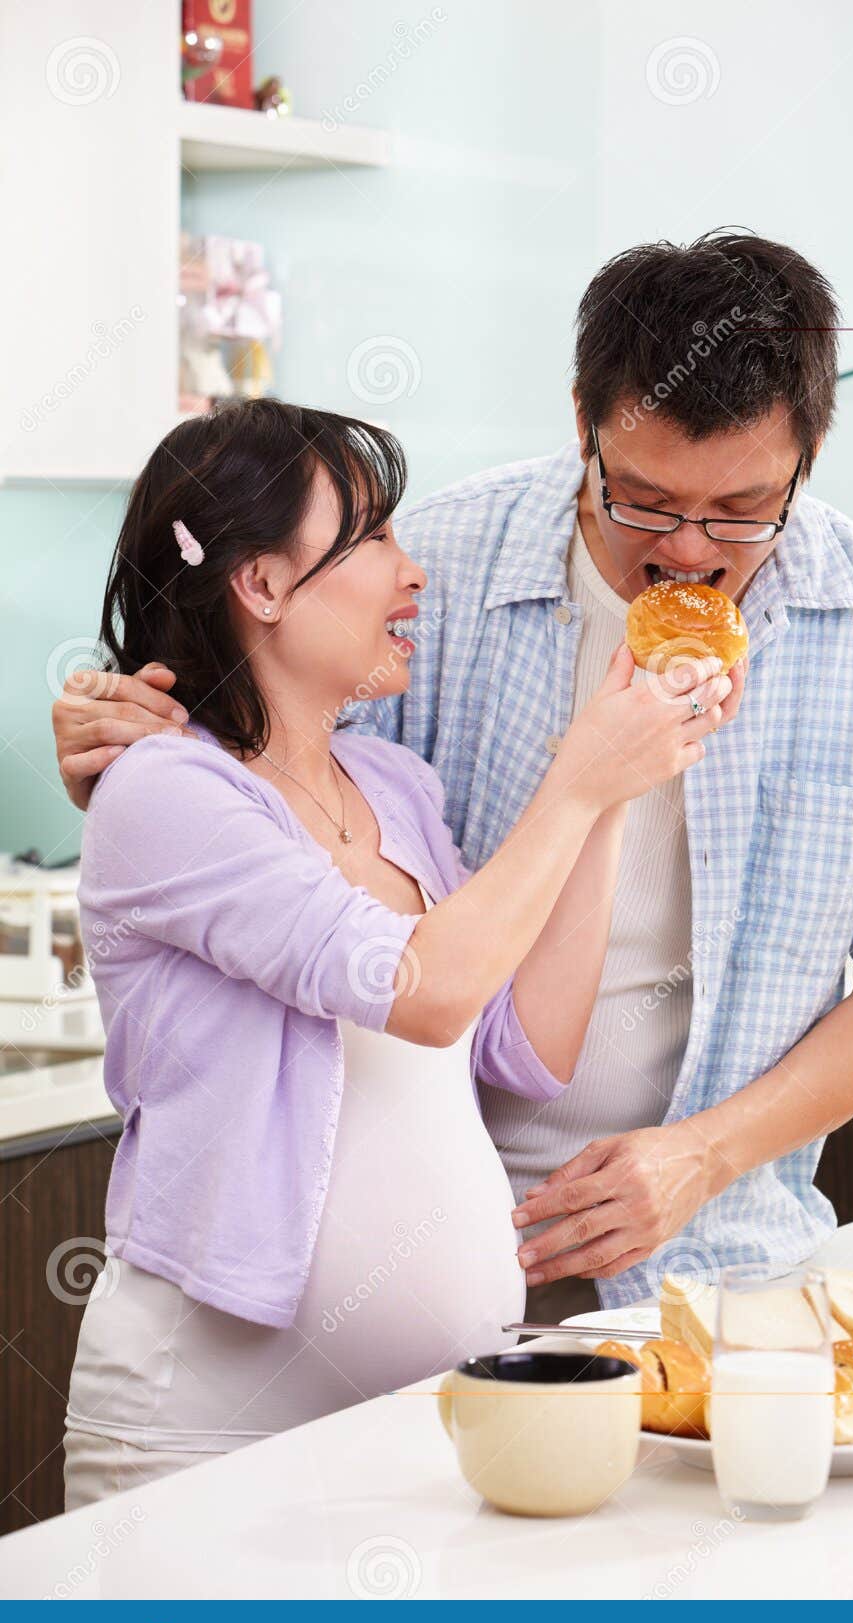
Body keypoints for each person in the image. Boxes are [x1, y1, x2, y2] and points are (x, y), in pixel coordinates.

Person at [53, 232, 853, 1326]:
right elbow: (267, 793)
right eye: (647, 502)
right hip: (428, 1263)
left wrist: (697, 1160)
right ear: (583, 423)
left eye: (743, 510)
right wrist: (138, 733)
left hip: (724, 1259)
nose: (692, 554)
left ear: (809, 453)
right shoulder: (431, 576)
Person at [60, 398, 728, 1507]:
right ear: (263, 585)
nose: (411, 573)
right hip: (202, 1441)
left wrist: (618, 794)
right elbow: (418, 994)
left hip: (420, 1437)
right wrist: (577, 780)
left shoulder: (393, 787)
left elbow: (526, 1041)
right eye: (372, 540)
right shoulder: (163, 794)